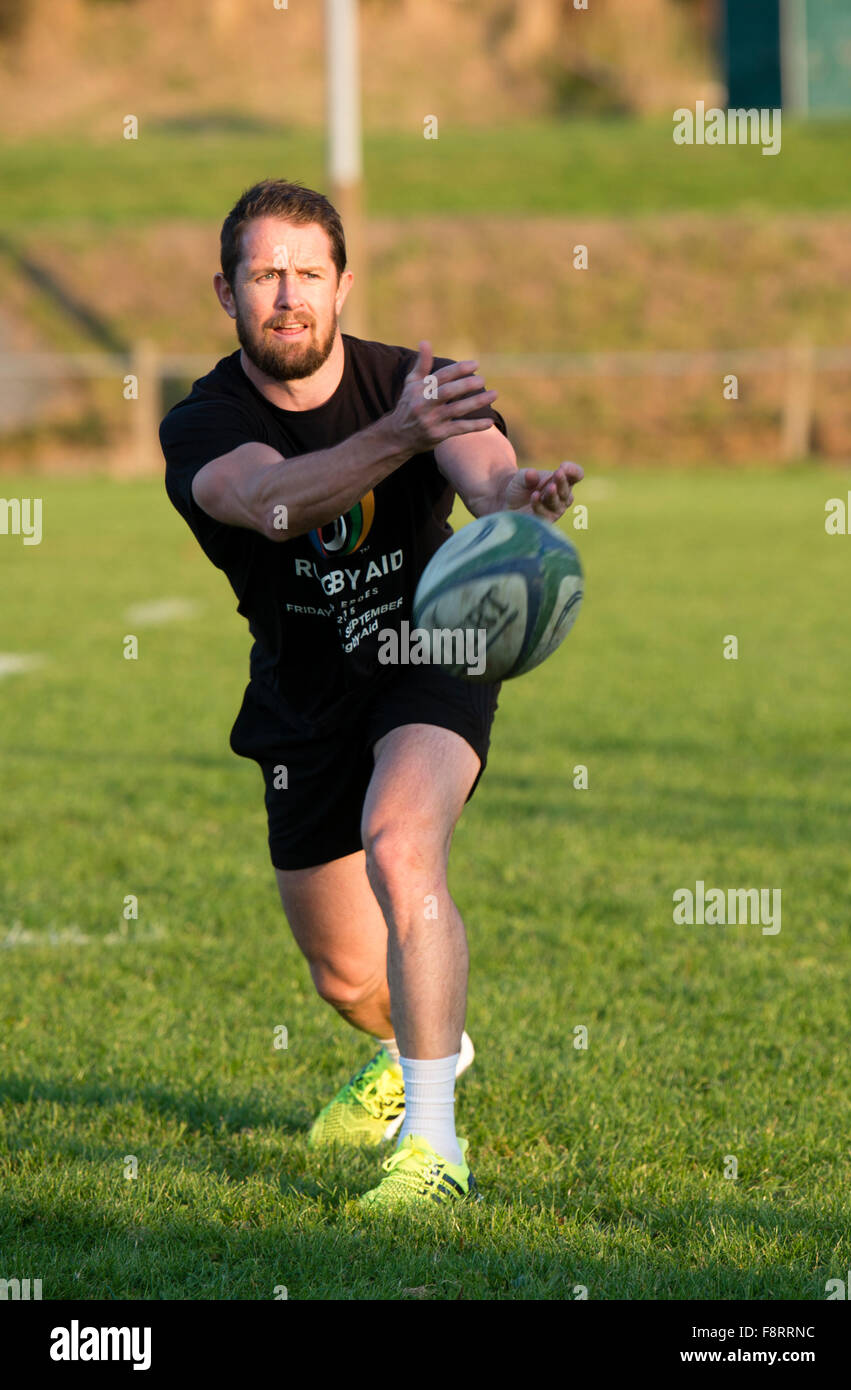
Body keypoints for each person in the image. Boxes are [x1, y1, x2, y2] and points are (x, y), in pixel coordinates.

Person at [160, 179, 581, 1209]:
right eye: (266, 275)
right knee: (348, 976)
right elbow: (268, 502)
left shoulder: (419, 381)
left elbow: (481, 471)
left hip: (432, 646)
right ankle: (423, 1046)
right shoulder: (203, 421)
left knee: (403, 843)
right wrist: (400, 437)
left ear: (345, 284)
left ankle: (432, 1148)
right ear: (227, 290)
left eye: (310, 273)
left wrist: (511, 501)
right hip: (301, 691)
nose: (289, 295)